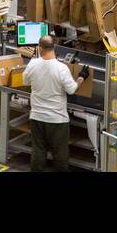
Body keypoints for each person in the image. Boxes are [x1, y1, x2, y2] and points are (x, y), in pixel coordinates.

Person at [22, 35, 88, 171]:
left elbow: (25, 81)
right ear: (54, 47)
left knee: (38, 152)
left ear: (40, 48)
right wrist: (81, 77)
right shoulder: (61, 68)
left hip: (37, 117)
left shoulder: (33, 64)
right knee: (60, 155)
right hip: (57, 119)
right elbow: (71, 90)